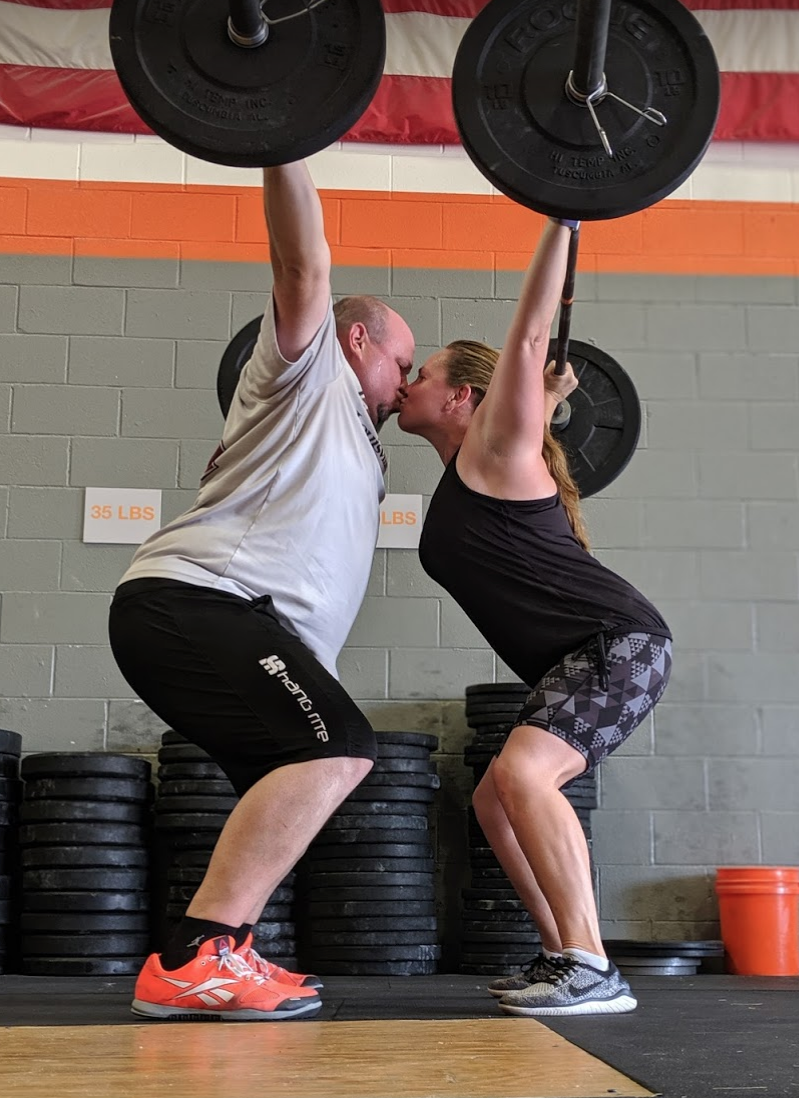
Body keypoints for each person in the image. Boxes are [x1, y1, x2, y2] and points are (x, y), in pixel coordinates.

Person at [108, 161, 415, 1022]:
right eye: (402, 362)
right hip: (199, 599)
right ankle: (192, 957)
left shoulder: (358, 440)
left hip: (237, 621)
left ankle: (229, 951)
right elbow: (303, 264)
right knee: (339, 746)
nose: (404, 383)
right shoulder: (308, 371)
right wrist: (288, 139)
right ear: (357, 341)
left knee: (299, 774)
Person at [398, 217, 672, 1017]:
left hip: (618, 645)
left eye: (423, 374)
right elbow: (532, 388)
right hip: (584, 656)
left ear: (464, 396)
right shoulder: (483, 463)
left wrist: (560, 218)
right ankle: (564, 955)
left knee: (522, 776)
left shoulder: (497, 450)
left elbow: (525, 340)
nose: (408, 383)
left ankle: (591, 962)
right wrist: (548, 395)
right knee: (494, 799)